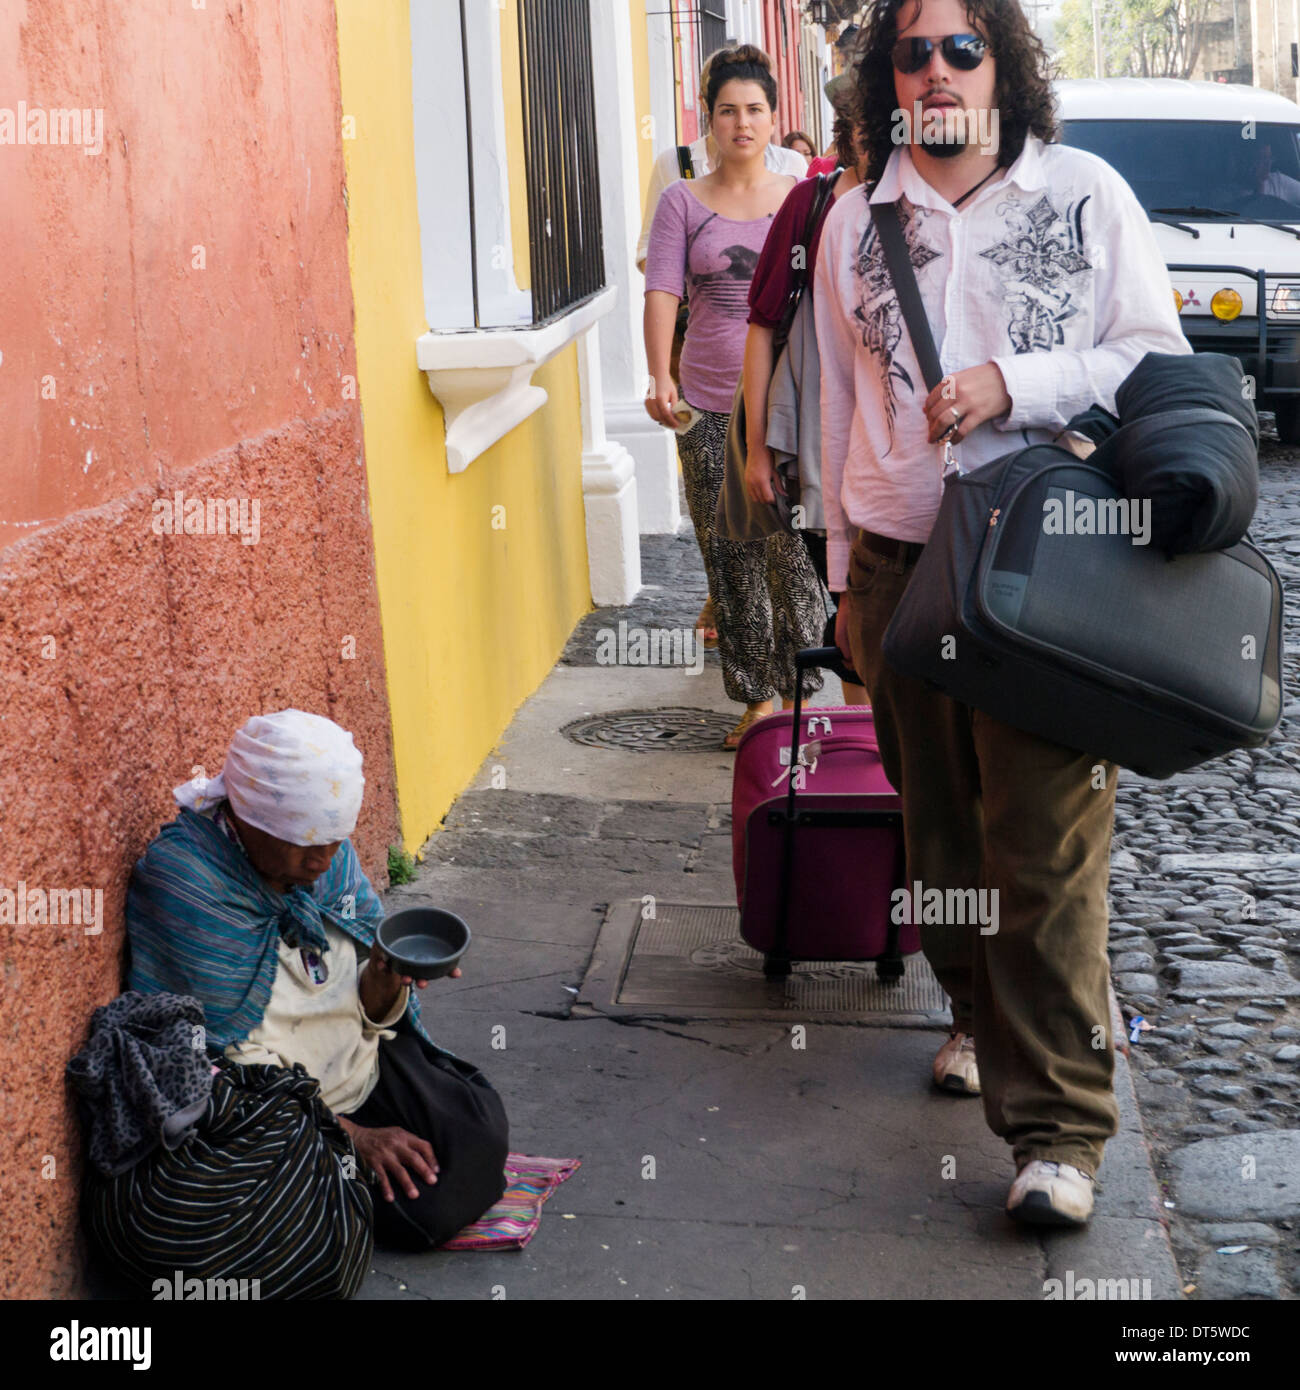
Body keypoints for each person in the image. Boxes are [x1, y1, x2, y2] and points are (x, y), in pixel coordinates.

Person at [815, 0, 1190, 1225]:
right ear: (890, 77)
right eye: (912, 50)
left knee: (1047, 852)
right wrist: (837, 572)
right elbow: (838, 407)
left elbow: (1150, 357)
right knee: (943, 849)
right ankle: (976, 1013)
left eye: (959, 47)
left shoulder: (1082, 194)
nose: (935, 69)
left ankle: (1060, 1132)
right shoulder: (850, 222)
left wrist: (1010, 385)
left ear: (1002, 67)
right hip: (897, 561)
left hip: (1042, 569)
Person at [126, 709, 510, 1250]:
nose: (324, 859)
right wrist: (352, 1137)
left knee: (478, 1132)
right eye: (306, 843)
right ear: (249, 818)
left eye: (336, 839)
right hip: (272, 1111)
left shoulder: (325, 855)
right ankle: (330, 1191)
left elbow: (363, 1006)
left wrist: (384, 979)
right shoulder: (187, 884)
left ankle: (342, 1195)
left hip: (357, 1066)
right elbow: (205, 1060)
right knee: (426, 1209)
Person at [644, 45, 829, 749]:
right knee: (729, 554)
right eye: (728, 110)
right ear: (709, 120)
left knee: (789, 549)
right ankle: (755, 699)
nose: (742, 122)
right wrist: (661, 374)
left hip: (785, 407)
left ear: (775, 118)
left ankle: (801, 690)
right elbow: (661, 289)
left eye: (754, 109)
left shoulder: (802, 202)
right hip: (706, 402)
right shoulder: (680, 202)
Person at [743, 94, 869, 706]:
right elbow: (763, 325)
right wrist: (757, 452)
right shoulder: (813, 203)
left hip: (915, 455)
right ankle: (872, 764)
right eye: (867, 128)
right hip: (824, 446)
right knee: (850, 609)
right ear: (848, 133)